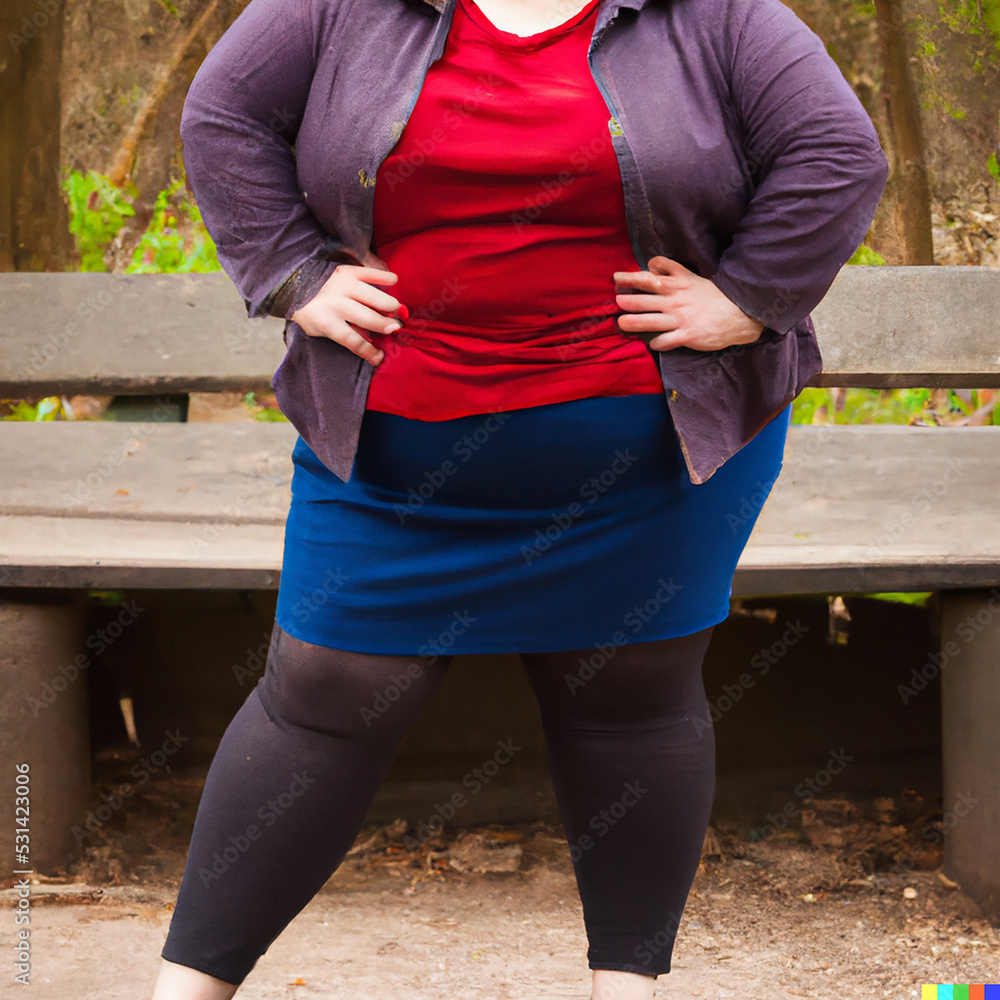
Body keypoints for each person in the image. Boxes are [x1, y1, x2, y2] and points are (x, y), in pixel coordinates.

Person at [152, 0, 888, 995]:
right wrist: (292, 270)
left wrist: (751, 298)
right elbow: (222, 116)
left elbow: (837, 153)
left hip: (650, 454)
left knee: (630, 699)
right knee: (322, 693)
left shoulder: (712, 12)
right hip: (392, 464)